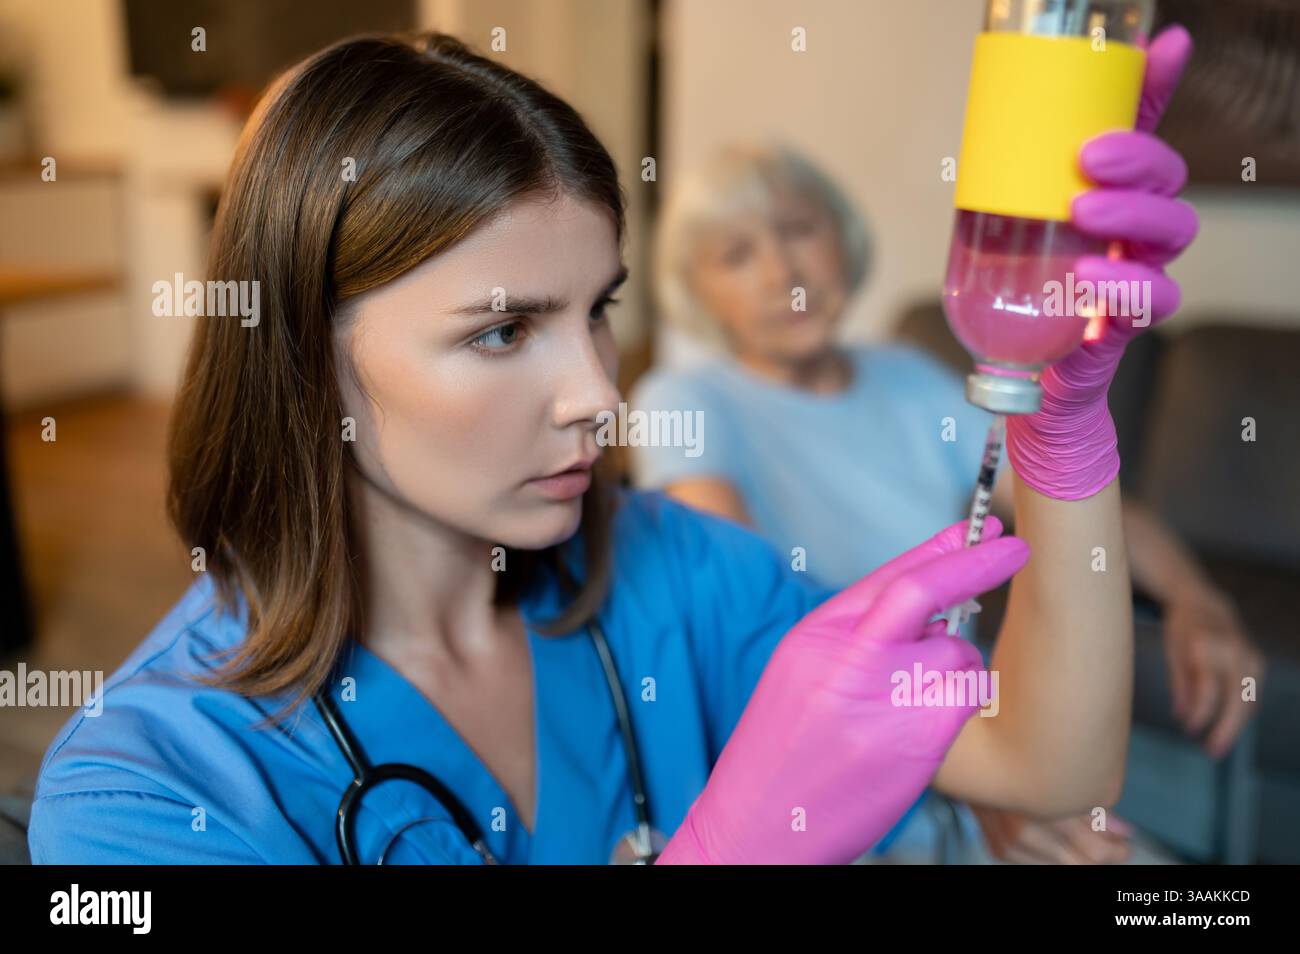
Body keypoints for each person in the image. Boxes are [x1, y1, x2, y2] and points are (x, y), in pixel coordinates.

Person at [32, 30, 1134, 865]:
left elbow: (1047, 765)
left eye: (595, 310)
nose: (599, 395)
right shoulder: (145, 791)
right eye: (504, 330)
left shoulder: (672, 572)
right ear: (306, 361)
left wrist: (1061, 429)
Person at [632, 28, 1259, 863]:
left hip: (986, 719)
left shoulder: (909, 375)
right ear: (696, 290)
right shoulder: (687, 400)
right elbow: (755, 622)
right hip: (855, 756)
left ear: (843, 238)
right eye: (737, 254)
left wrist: (1193, 598)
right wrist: (973, 772)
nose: (784, 270)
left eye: (799, 229)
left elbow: (1059, 483)